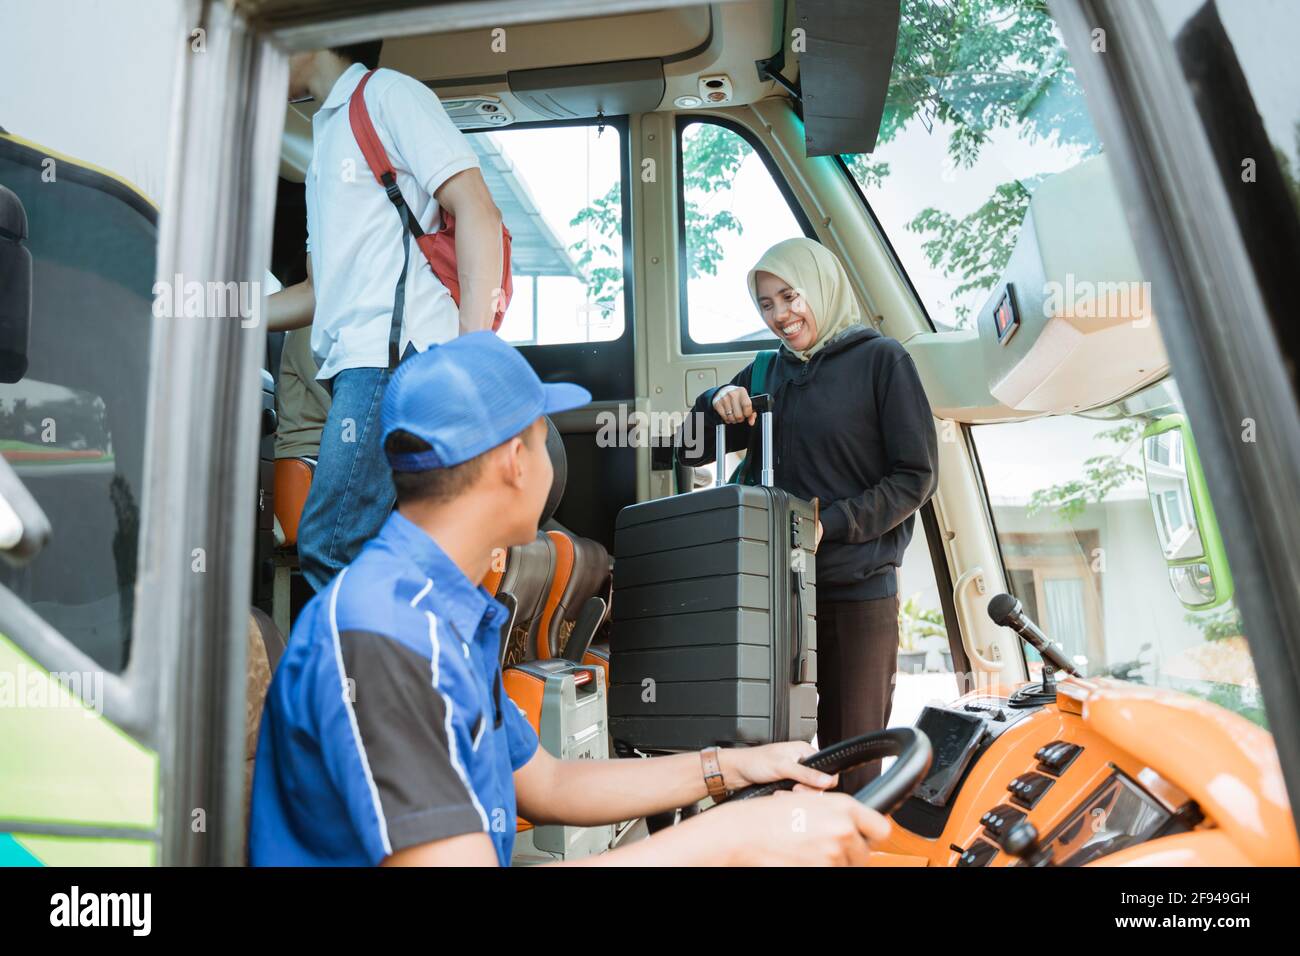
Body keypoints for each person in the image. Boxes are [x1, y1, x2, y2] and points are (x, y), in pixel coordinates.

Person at [249, 333, 891, 866]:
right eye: (542, 432)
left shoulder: (442, 610)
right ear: (514, 461)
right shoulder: (385, 635)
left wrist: (735, 767)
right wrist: (739, 839)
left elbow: (550, 783)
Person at [682, 238, 939, 795]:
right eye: (765, 304)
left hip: (857, 590)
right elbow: (689, 446)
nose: (780, 315)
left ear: (821, 288)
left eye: (789, 296)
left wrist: (832, 523)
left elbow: (915, 477)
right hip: (775, 596)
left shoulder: (882, 360)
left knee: (855, 760)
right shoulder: (767, 371)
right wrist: (717, 400)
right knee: (773, 752)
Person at [266, 41, 504, 592]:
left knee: (330, 543)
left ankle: (381, 676)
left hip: (394, 360)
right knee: (372, 546)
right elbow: (318, 293)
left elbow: (478, 210)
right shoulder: (323, 141)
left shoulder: (389, 95)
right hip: (363, 363)